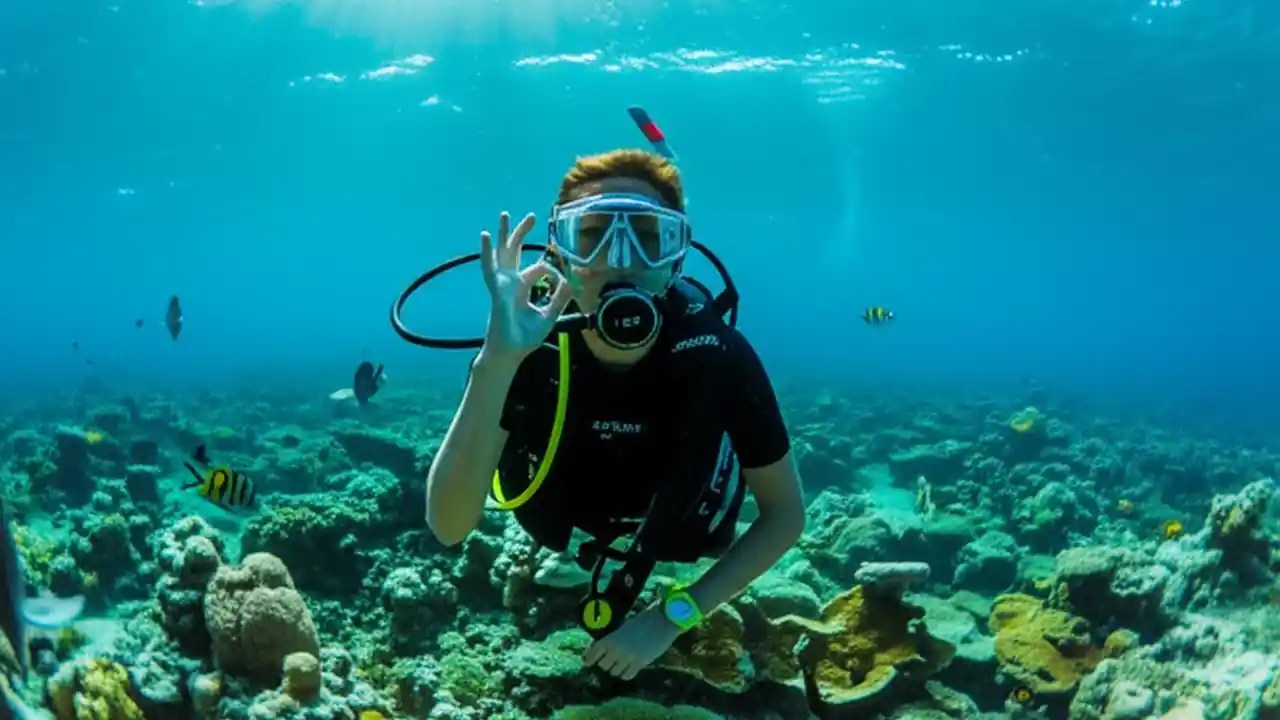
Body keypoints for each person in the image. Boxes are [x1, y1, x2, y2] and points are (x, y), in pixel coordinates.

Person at [425, 149, 805, 680]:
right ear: (559, 254)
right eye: (592, 235)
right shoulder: (522, 353)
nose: (620, 260)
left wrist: (674, 616)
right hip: (561, 520)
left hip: (678, 533)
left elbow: (786, 514)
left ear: (678, 256)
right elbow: (447, 527)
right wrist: (497, 360)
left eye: (650, 238)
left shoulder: (717, 354)